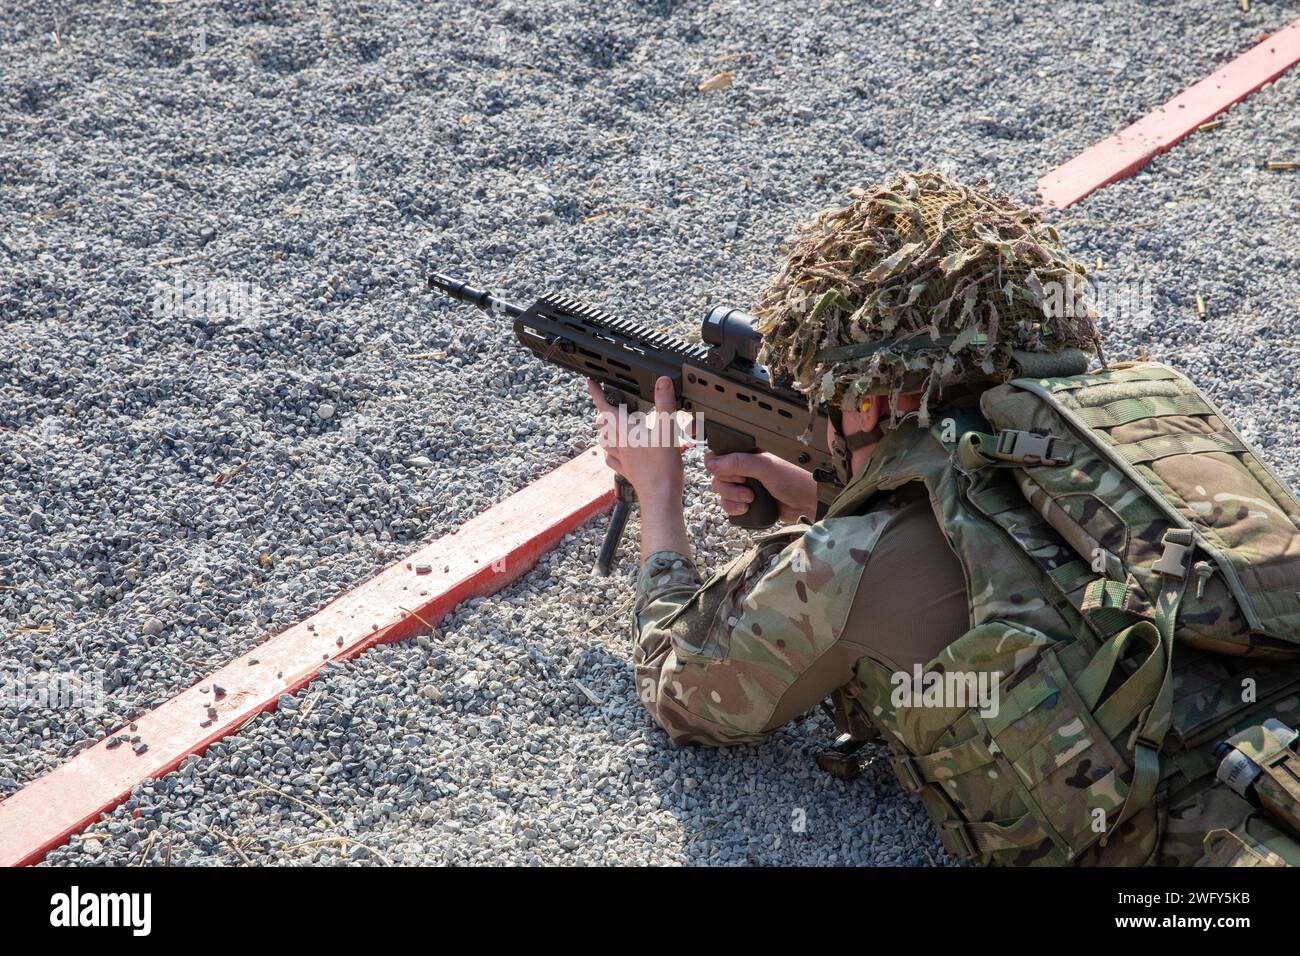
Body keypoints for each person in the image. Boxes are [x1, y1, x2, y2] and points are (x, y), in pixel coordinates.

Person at [588, 171, 1300, 867]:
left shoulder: (851, 558)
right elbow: (1029, 530)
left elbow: (683, 691)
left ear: (865, 403)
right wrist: (828, 499)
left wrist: (659, 495)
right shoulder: (1129, 441)